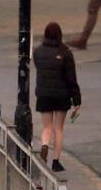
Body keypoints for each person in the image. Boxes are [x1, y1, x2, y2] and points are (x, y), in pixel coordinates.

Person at [33, 21, 82, 173]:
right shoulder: (66, 52)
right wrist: (77, 100)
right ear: (59, 35)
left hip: (44, 95)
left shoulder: (38, 52)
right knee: (58, 128)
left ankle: (44, 145)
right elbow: (71, 79)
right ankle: (56, 161)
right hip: (62, 96)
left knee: (47, 127)